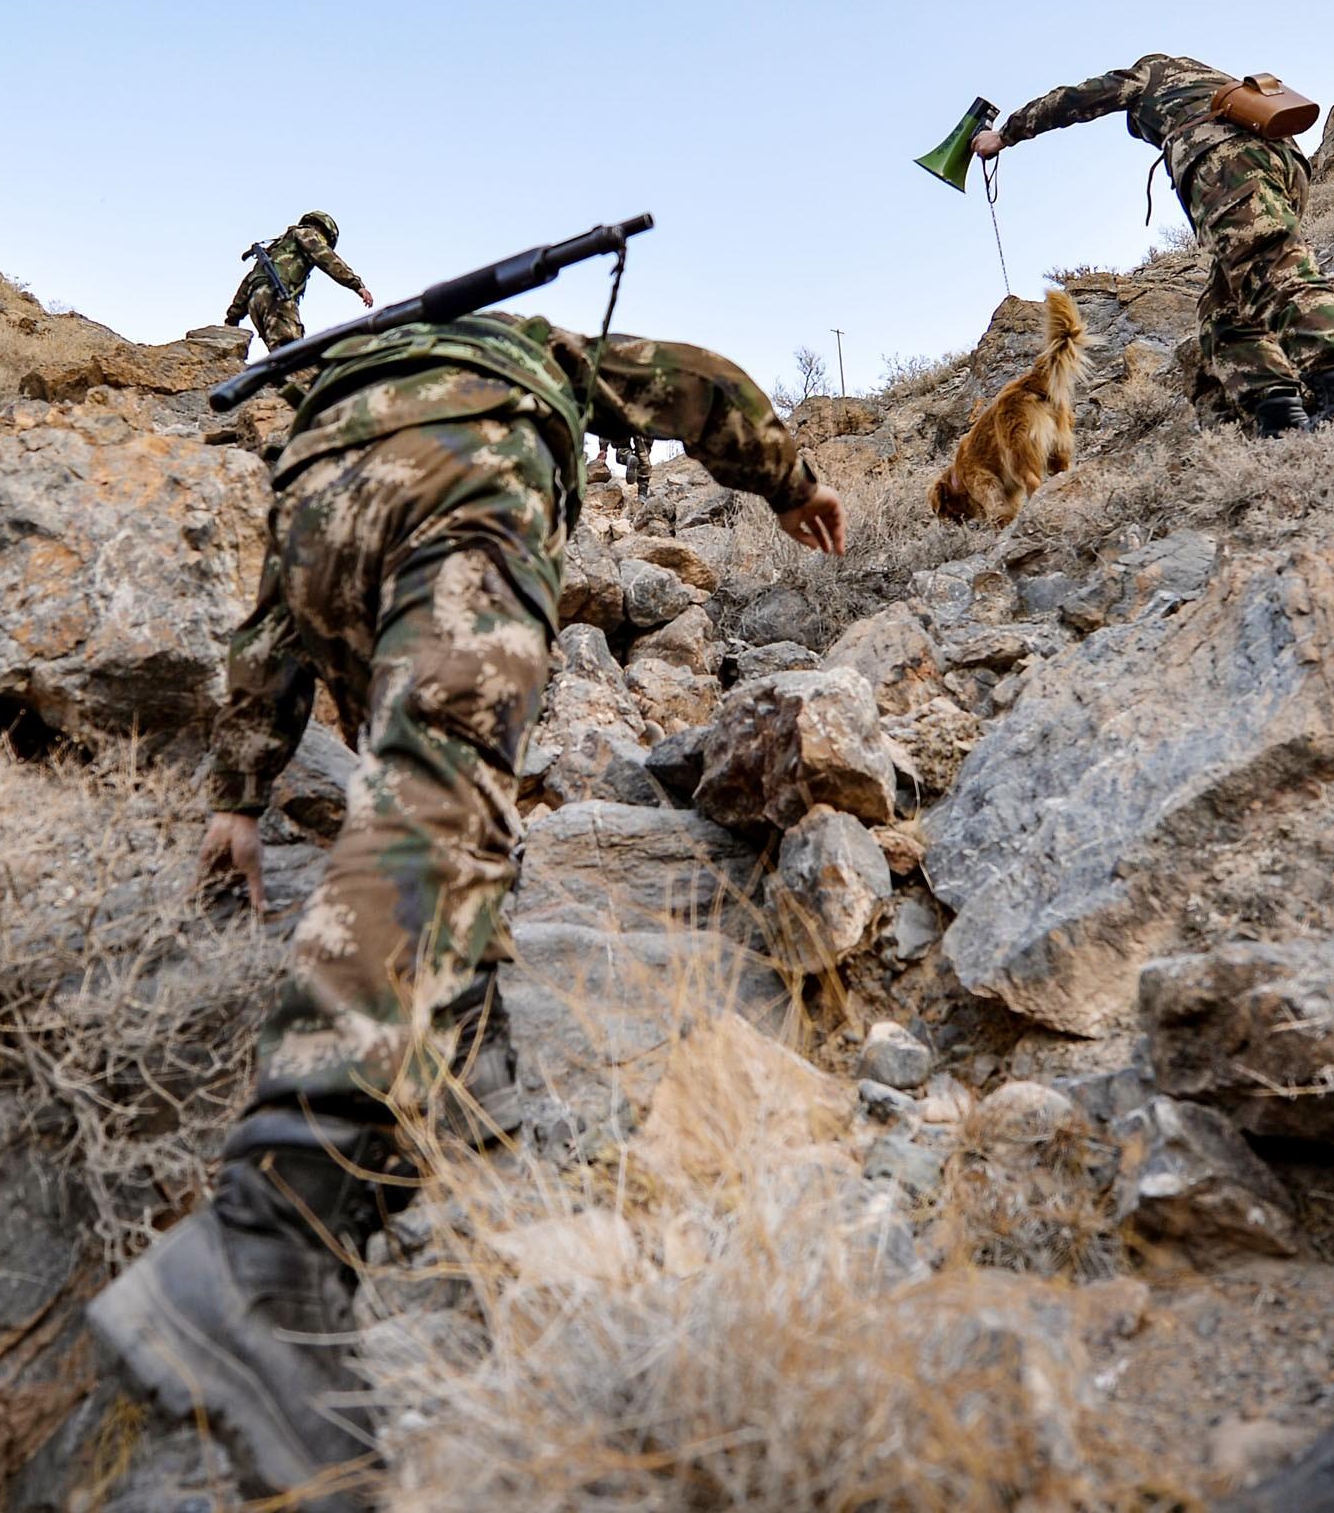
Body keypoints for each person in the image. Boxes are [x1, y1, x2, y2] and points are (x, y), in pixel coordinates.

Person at [90, 308, 844, 1509]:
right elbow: (701, 384)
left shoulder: (339, 390)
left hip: (314, 525)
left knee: (426, 790)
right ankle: (271, 1226)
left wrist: (238, 790)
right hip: (468, 479)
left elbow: (272, 625)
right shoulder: (524, 348)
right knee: (446, 772)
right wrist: (790, 482)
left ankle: (455, 1073)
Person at [972, 53, 1334, 435]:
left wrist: (1006, 135)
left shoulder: (1152, 71)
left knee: (1269, 266)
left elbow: (1079, 99)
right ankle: (1280, 420)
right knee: (1224, 310)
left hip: (1227, 163)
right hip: (1285, 165)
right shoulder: (1204, 82)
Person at [225, 210, 375, 349]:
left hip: (255, 304)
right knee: (291, 351)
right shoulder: (306, 234)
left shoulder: (274, 252)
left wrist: (232, 318)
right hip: (277, 297)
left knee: (278, 353)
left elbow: (247, 283)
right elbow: (326, 258)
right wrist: (356, 285)